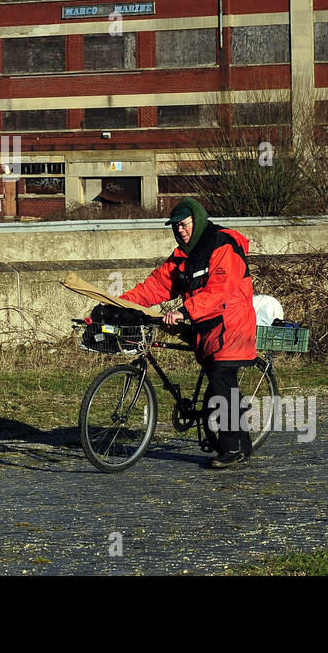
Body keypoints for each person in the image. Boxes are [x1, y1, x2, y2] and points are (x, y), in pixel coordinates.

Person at [118, 197, 259, 469]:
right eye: (176, 227)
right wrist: (119, 305)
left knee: (220, 378)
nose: (180, 230)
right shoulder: (183, 256)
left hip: (231, 323)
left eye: (184, 225)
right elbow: (154, 287)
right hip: (206, 325)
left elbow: (221, 290)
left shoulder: (222, 245)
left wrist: (184, 311)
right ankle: (242, 441)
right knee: (222, 383)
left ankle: (233, 449)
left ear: (198, 220)